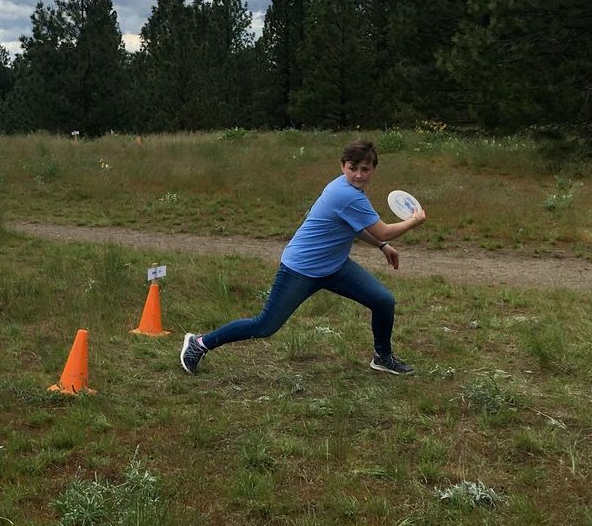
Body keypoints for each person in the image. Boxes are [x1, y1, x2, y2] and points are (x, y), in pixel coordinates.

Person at [180, 138, 426, 376]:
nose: (359, 175)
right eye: (353, 168)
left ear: (374, 170)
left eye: (365, 169)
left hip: (335, 267)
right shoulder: (346, 194)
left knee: (383, 301)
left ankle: (382, 357)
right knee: (265, 325)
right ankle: (200, 343)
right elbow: (382, 229)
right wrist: (413, 221)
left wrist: (382, 246)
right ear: (342, 166)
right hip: (301, 269)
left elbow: (358, 227)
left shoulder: (348, 190)